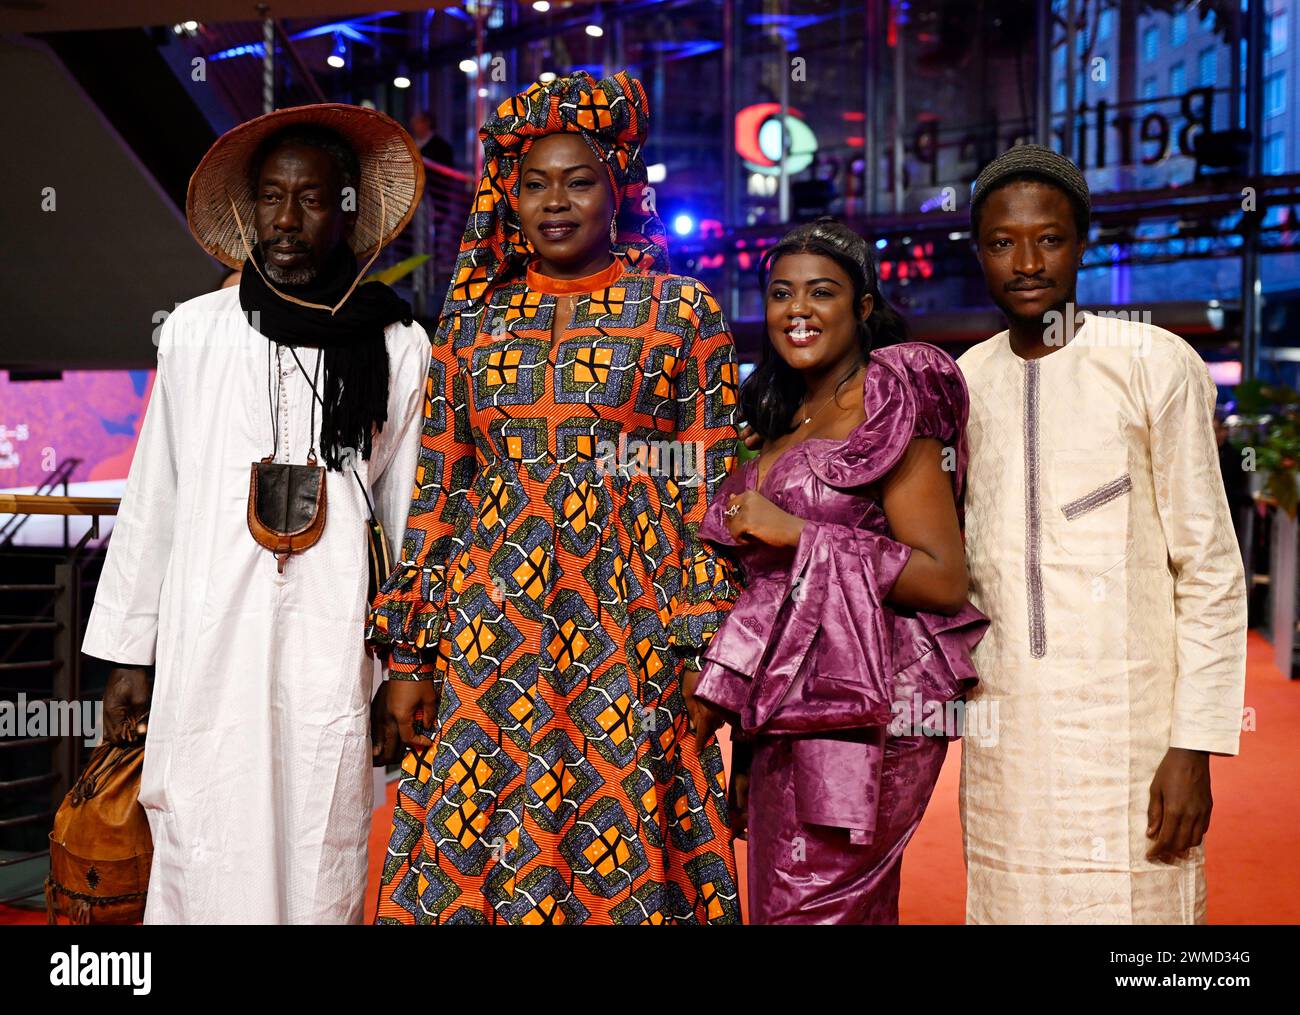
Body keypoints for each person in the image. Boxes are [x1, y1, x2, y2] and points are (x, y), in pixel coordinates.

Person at [368, 71, 744, 925]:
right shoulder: (472, 325)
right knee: (486, 824)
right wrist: (407, 660)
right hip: (491, 632)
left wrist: (703, 650)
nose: (555, 202)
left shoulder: (681, 313)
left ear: (618, 187)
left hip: (632, 627)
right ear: (510, 195)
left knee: (633, 830)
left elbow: (709, 490)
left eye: (579, 181)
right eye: (535, 183)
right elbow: (439, 492)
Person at [83, 104, 432, 923]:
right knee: (204, 829)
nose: (284, 219)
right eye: (270, 197)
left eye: (310, 198)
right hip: (208, 640)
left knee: (322, 835)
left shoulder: (398, 344)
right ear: (247, 207)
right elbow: (153, 499)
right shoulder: (197, 334)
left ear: (346, 205)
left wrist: (407, 666)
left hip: (334, 640)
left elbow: (410, 514)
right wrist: (132, 654)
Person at [957, 144, 1247, 924]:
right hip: (1004, 748)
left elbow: (1210, 568)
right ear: (979, 251)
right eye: (1001, 241)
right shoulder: (963, 383)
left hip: (1133, 744)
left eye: (1048, 238)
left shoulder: (1154, 363)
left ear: (1082, 243)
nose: (1026, 261)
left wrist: (1196, 745)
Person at [693, 217, 988, 924]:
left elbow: (944, 577)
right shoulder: (780, 413)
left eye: (821, 292)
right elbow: (778, 605)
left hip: (869, 706)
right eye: (780, 293)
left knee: (816, 910)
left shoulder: (891, 398)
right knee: (781, 904)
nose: (797, 310)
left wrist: (797, 532)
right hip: (787, 711)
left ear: (862, 306)